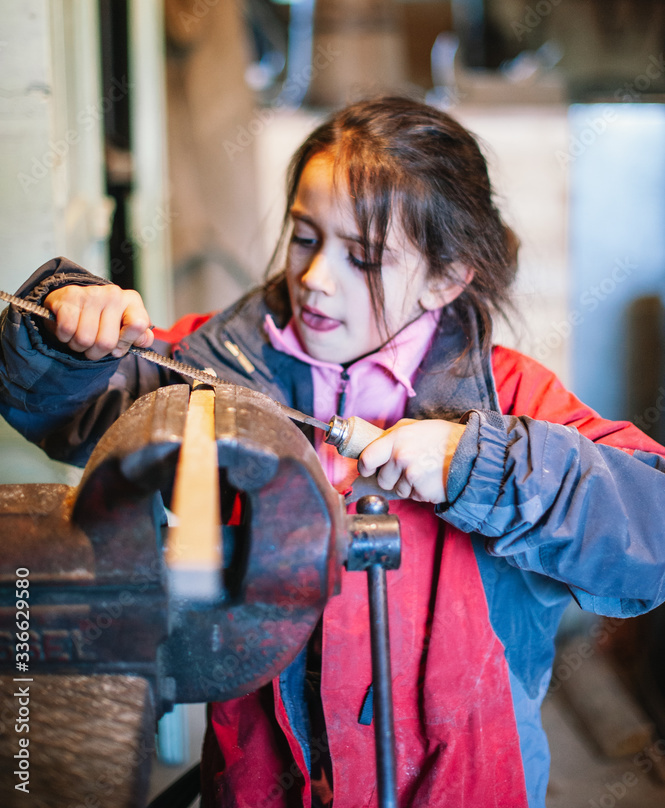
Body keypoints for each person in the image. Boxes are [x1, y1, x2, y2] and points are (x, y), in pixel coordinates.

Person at [2, 96, 665, 808]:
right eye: (304, 237)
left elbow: (648, 534)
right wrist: (68, 339)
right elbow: (72, 411)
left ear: (446, 278)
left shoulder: (508, 398)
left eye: (364, 258)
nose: (316, 279)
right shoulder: (216, 369)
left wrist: (483, 467)